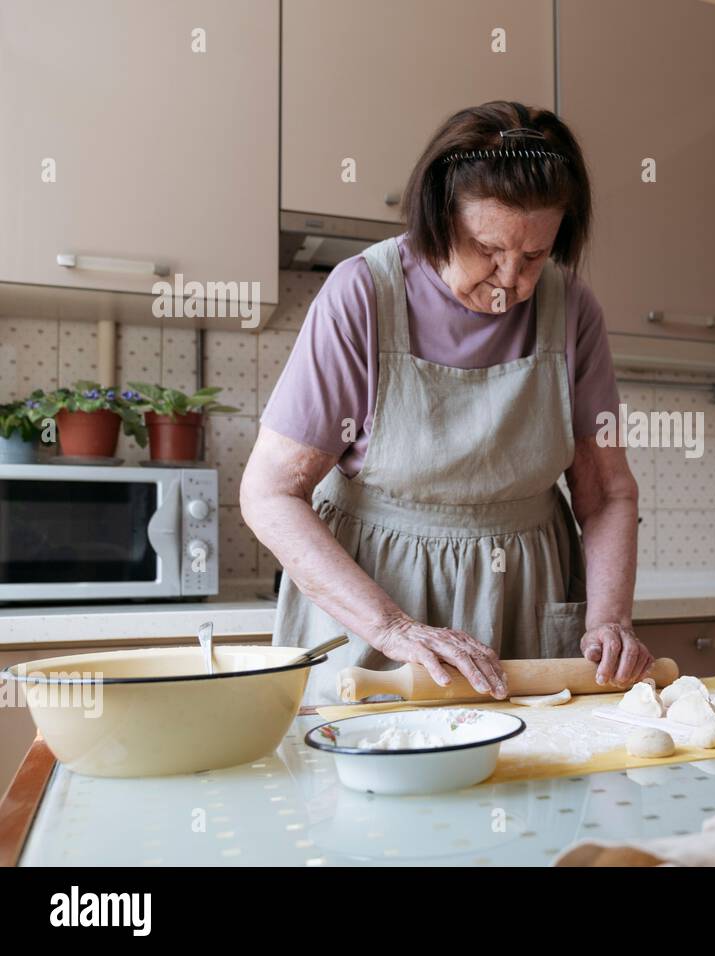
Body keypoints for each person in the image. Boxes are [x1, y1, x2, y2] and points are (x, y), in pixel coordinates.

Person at [242, 102, 651, 704]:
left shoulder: (573, 309)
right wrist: (392, 627)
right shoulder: (363, 294)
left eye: (534, 255)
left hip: (526, 599)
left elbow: (607, 491)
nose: (511, 279)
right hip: (376, 604)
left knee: (535, 783)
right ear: (437, 218)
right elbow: (269, 492)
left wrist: (609, 619)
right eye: (487, 247)